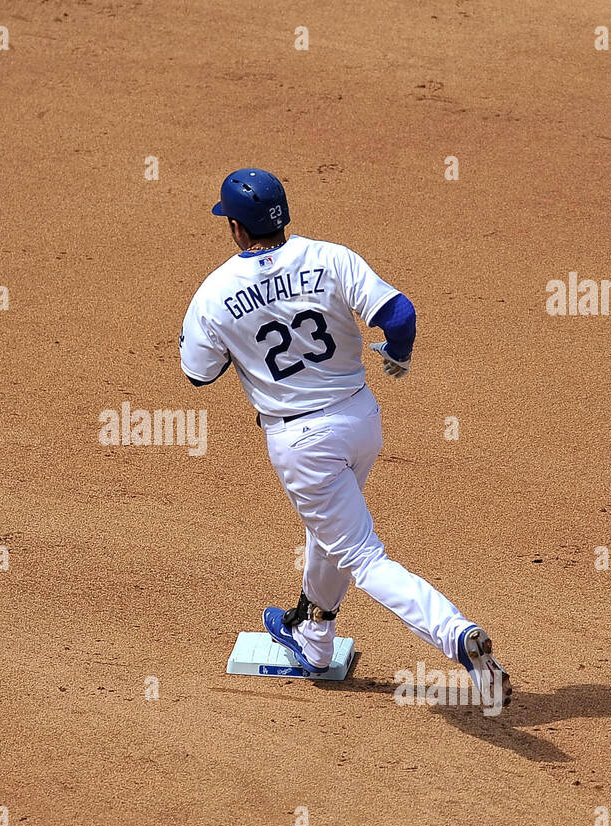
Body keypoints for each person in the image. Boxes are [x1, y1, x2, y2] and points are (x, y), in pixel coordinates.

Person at [179, 168, 509, 707]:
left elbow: (198, 374)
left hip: (301, 441)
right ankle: (314, 636)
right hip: (360, 421)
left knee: (362, 555)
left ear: (236, 228)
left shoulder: (214, 293)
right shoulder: (331, 257)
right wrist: (398, 357)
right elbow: (399, 314)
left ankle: (455, 633)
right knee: (329, 527)